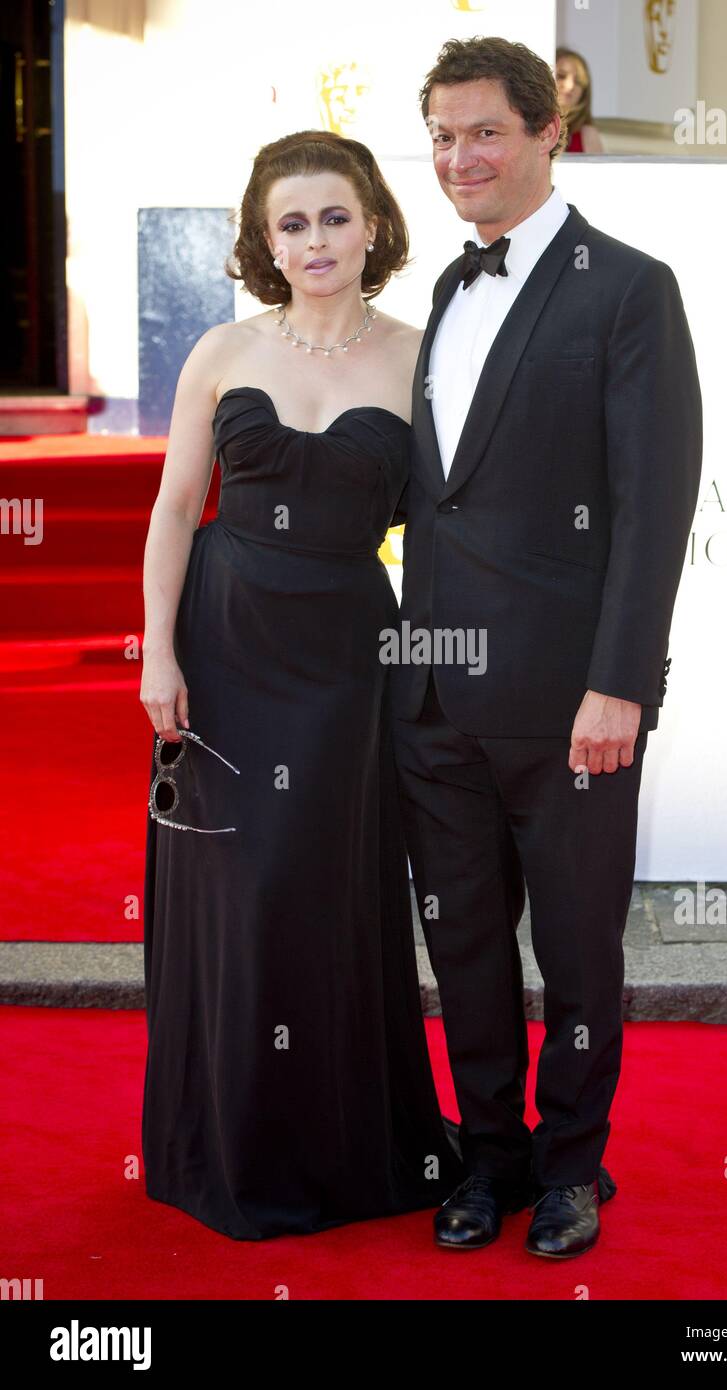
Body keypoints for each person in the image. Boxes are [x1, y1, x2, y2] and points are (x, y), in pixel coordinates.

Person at [390, 36, 702, 1258]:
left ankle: (573, 1166)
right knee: (460, 946)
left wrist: (619, 682)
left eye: (481, 132)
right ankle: (491, 1159)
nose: (457, 157)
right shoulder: (441, 293)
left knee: (575, 949)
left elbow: (652, 500)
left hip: (570, 699)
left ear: (545, 133)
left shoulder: (627, 287)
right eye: (440, 136)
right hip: (429, 701)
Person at [139, 130, 465, 1240]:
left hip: (345, 662)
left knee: (326, 894)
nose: (315, 239)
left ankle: (337, 1146)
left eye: (333, 216)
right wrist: (158, 650)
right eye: (292, 223)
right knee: (240, 895)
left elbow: (446, 536)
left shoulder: (423, 359)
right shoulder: (222, 349)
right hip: (225, 644)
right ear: (262, 241)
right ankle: (226, 1142)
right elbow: (177, 506)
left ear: (371, 222)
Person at [555, 48, 604, 155]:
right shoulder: (530, 127)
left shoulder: (588, 135)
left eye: (578, 81)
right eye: (561, 76)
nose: (570, 86)